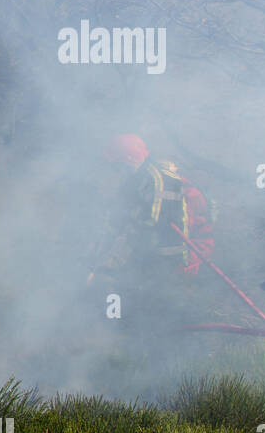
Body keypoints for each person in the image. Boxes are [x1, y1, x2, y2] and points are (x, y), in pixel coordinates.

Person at [88, 134, 213, 329]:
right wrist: (97, 257)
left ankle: (173, 346)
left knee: (165, 316)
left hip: (178, 261)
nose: (117, 172)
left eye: (118, 166)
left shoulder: (157, 179)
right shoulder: (136, 179)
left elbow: (146, 225)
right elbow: (117, 222)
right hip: (157, 259)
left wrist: (111, 263)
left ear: (130, 159)